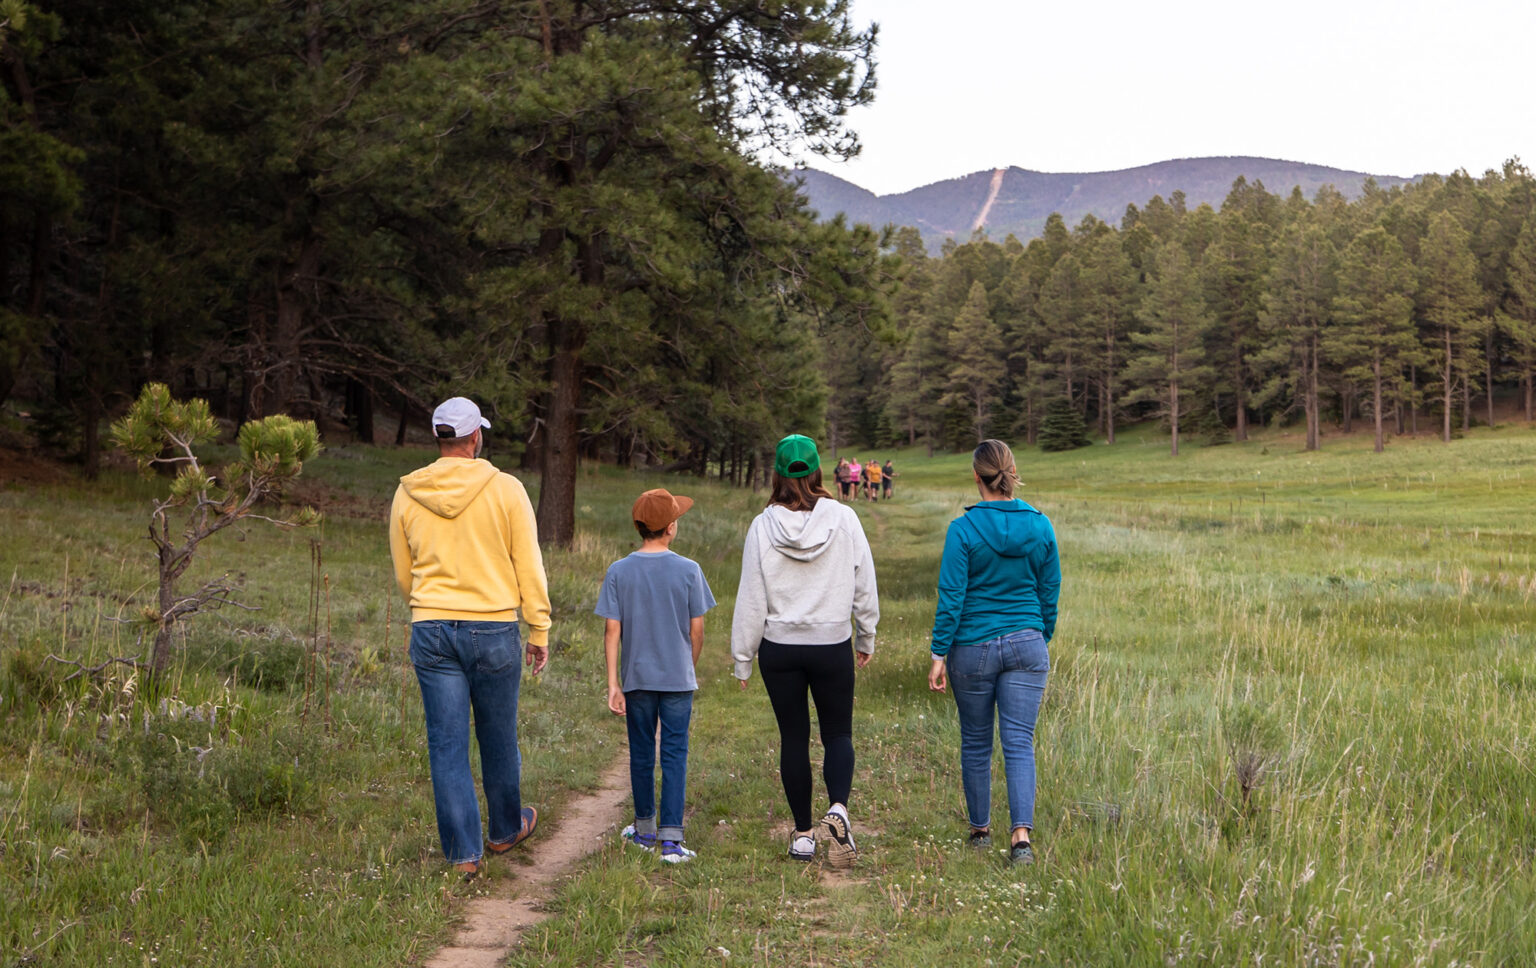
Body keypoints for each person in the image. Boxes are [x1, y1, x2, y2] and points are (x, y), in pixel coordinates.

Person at [389, 397, 552, 879]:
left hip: (432, 627)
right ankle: (504, 831)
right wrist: (538, 626)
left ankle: (463, 855)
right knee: (498, 735)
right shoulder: (506, 489)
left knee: (446, 743)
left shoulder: (408, 492)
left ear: (439, 438)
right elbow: (529, 562)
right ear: (475, 437)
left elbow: (404, 573)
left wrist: (429, 608)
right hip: (494, 627)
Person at [731, 434, 879, 867]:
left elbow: (751, 595)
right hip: (832, 643)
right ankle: (838, 808)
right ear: (818, 470)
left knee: (793, 737)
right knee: (838, 733)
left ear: (778, 474)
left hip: (780, 648)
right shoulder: (845, 519)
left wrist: (743, 657)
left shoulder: (763, 525)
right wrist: (865, 636)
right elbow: (863, 583)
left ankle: (801, 835)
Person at [927, 439, 1059, 866]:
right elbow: (1049, 591)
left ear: (976, 476)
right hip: (1027, 642)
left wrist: (938, 652)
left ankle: (980, 831)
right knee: (1020, 742)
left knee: (976, 741)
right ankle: (1021, 838)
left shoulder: (962, 530)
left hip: (973, 647)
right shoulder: (1041, 526)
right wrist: (1041, 636)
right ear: (1011, 472)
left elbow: (952, 596)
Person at [596, 488, 717, 864]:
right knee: (675, 753)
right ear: (671, 527)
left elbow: (611, 631)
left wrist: (614, 683)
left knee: (642, 752)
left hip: (637, 679)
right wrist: (687, 664)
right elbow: (697, 631)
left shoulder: (618, 571)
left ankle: (644, 830)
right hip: (677, 678)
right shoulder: (689, 570)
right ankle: (671, 840)